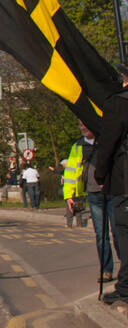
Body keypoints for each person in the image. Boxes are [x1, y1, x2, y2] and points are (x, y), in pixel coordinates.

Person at [95, 66, 128, 305]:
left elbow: (108, 143)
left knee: (124, 233)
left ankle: (126, 285)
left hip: (125, 182)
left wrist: (101, 173)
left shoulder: (119, 104)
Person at [83, 122, 117, 283]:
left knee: (119, 233)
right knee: (101, 236)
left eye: (85, 124)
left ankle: (125, 268)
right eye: (80, 125)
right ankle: (106, 270)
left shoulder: (107, 141)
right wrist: (69, 195)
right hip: (93, 194)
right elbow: (72, 170)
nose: (82, 127)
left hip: (112, 192)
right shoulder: (78, 146)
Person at [61, 134, 88, 229]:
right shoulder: (77, 147)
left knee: (74, 207)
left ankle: (72, 224)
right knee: (76, 207)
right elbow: (70, 174)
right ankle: (76, 224)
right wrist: (68, 195)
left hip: (82, 189)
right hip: (79, 189)